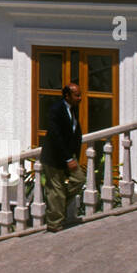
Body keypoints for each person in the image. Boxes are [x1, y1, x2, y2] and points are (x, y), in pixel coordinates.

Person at [42, 82, 87, 232]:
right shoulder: (56, 110)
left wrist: (73, 157)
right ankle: (54, 224)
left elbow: (74, 134)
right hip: (54, 157)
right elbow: (56, 137)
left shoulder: (74, 109)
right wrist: (68, 158)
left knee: (79, 179)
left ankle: (57, 207)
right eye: (77, 95)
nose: (80, 98)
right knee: (56, 190)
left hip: (67, 157)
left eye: (80, 95)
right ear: (67, 96)